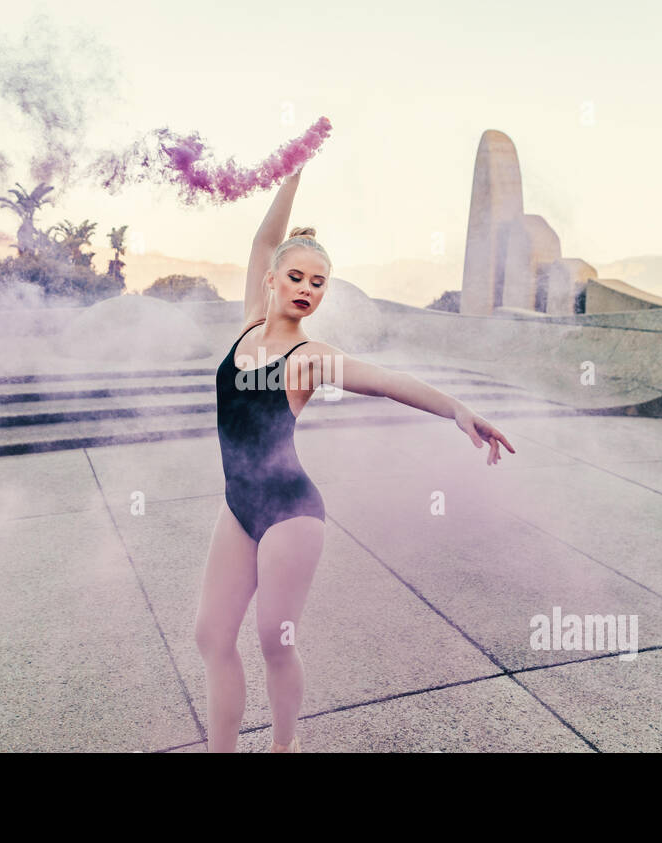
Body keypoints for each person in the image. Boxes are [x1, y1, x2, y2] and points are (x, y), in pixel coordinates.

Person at [194, 164, 515, 753]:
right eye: (296, 276)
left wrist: (456, 410)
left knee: (274, 640)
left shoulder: (309, 357)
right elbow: (264, 240)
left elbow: (387, 379)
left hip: (290, 511)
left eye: (319, 283)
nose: (306, 290)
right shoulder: (245, 328)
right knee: (212, 637)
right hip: (238, 505)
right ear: (270, 280)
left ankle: (283, 748)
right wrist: (290, 173)